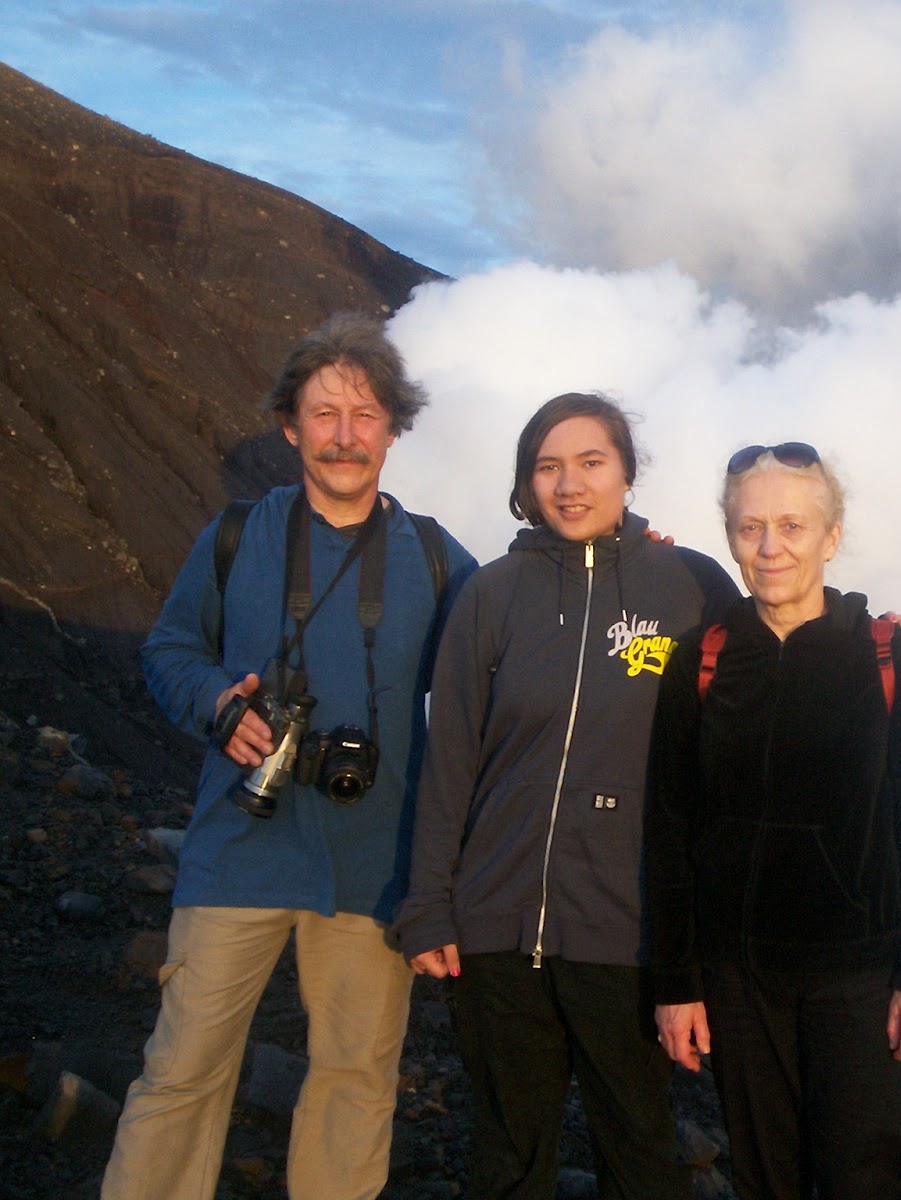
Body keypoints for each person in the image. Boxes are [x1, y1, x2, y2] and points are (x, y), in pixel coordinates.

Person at [103, 313, 477, 1200]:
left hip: (373, 864)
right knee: (182, 1074)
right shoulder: (238, 536)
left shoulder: (432, 557)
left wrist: (625, 554)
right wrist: (217, 705)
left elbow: (523, 636)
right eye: (324, 414)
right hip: (239, 848)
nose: (345, 435)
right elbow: (168, 650)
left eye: (366, 414)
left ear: (394, 427)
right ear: (289, 424)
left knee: (354, 1084)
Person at [393, 393, 741, 1200]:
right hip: (495, 929)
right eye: (548, 466)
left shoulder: (686, 588)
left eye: (591, 462)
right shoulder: (491, 594)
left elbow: (779, 663)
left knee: (641, 1151)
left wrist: (873, 627)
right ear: (525, 483)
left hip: (625, 931)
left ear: (627, 472)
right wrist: (430, 906)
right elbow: (448, 761)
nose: (570, 484)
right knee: (509, 1157)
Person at [645, 442, 901, 1200]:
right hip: (739, 978)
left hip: (861, 977)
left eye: (791, 525)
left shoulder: (890, 655)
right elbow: (671, 831)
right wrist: (676, 982)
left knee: (874, 1182)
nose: (770, 547)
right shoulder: (701, 661)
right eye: (750, 527)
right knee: (765, 1182)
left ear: (831, 535)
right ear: (730, 537)